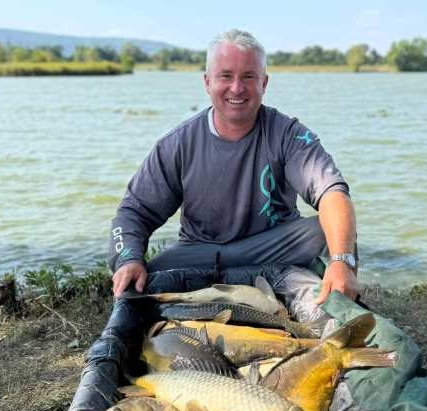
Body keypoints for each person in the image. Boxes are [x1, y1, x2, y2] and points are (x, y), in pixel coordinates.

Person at [109, 29, 358, 304]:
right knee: (137, 285)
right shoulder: (177, 143)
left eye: (248, 77)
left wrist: (342, 260)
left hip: (271, 249)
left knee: (328, 231)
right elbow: (133, 212)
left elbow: (332, 192)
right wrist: (129, 258)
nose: (237, 88)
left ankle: (333, 290)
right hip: (200, 253)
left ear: (264, 83)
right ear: (207, 82)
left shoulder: (288, 134)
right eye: (226, 76)